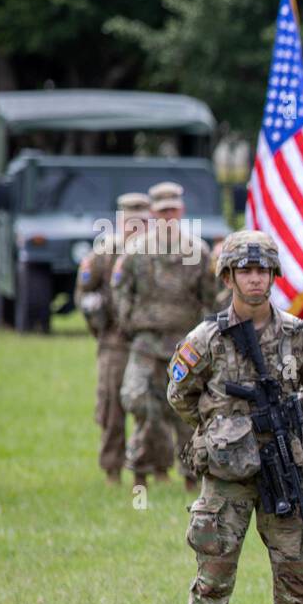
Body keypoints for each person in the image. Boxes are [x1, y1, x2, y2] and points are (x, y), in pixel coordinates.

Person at [167, 231, 303, 604]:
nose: (255, 278)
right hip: (227, 477)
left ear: (274, 276)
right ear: (228, 277)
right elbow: (180, 395)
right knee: (213, 575)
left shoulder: (299, 337)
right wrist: (219, 428)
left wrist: (294, 422)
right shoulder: (207, 338)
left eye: (262, 270)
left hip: (283, 471)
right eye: (245, 270)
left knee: (295, 573)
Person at [112, 181, 218, 491]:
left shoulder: (197, 252)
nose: (168, 216)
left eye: (172, 210)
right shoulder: (136, 251)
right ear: (153, 214)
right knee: (140, 403)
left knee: (188, 410)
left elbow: (209, 298)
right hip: (146, 342)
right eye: (162, 212)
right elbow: (121, 292)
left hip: (184, 345)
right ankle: (141, 473)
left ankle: (190, 476)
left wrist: (202, 338)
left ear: (181, 211)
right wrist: (130, 322)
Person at [76, 192, 148, 484]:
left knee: (150, 408)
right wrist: (98, 324)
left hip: (148, 342)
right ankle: (112, 468)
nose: (136, 227)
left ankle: (148, 469)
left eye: (143, 221)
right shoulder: (104, 253)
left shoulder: (157, 252)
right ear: (119, 222)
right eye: (131, 221)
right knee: (111, 407)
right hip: (115, 342)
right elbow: (83, 293)